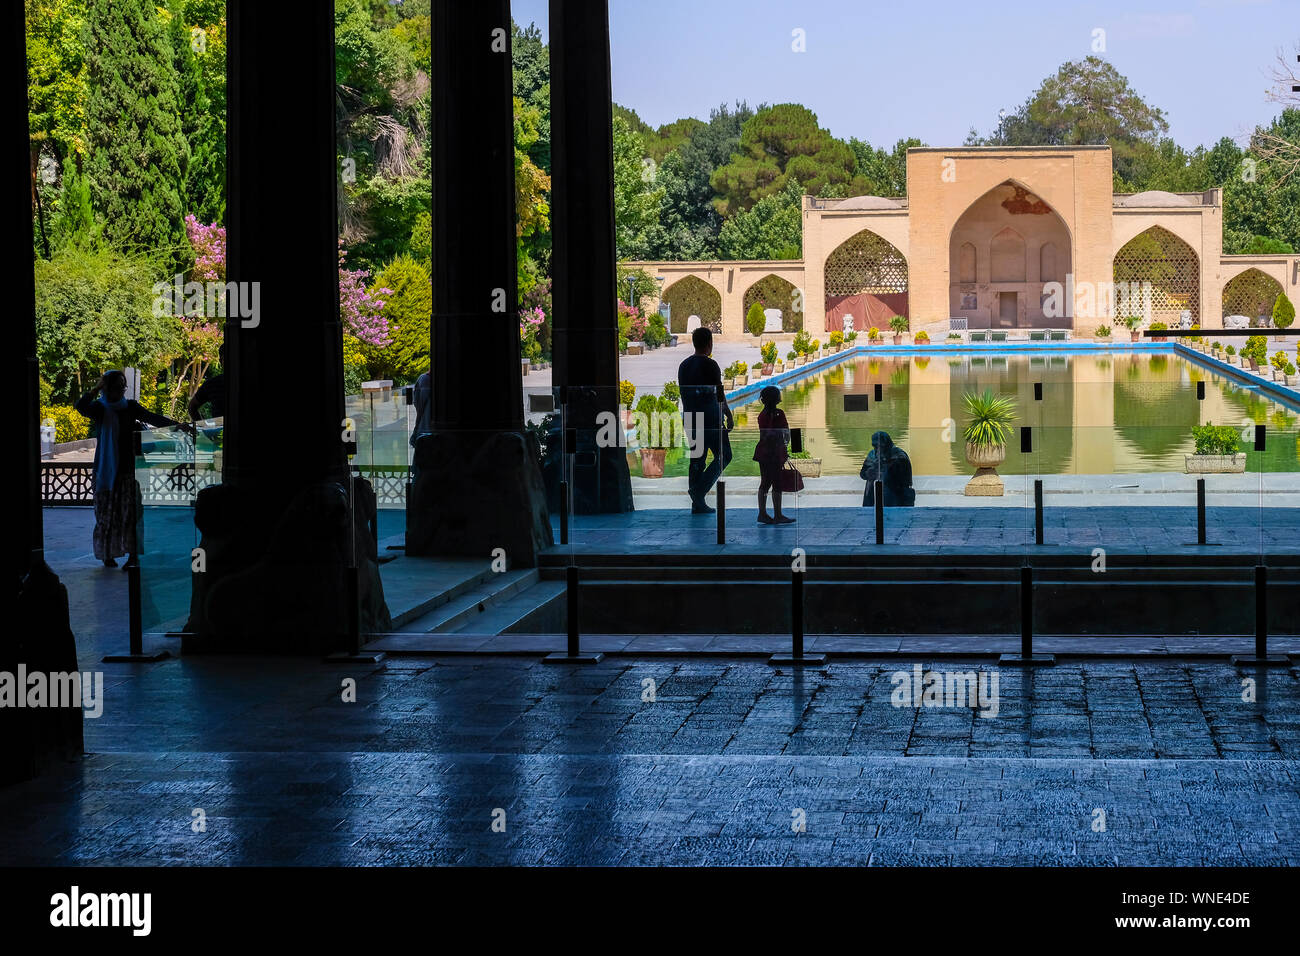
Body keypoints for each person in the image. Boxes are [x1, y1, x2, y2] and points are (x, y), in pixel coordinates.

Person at [76, 371, 187, 567]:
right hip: (107, 471)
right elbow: (81, 406)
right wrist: (96, 389)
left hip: (129, 470)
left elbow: (153, 418)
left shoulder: (130, 407)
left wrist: (177, 426)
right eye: (116, 387)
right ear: (107, 388)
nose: (120, 391)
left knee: (131, 515)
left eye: (122, 387)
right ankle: (108, 554)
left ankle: (133, 556)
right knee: (106, 515)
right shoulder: (99, 408)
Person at [677, 326, 732, 514]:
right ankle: (698, 492)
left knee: (697, 460)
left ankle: (697, 504)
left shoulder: (683, 365)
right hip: (710, 419)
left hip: (691, 418)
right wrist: (728, 413)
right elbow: (719, 393)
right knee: (725, 455)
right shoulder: (710, 364)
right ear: (710, 343)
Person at [754, 386, 794, 524]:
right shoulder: (780, 414)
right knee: (776, 483)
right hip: (775, 452)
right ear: (777, 399)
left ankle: (762, 513)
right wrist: (787, 445)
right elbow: (786, 433)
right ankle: (778, 514)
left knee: (765, 483)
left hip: (764, 451)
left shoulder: (762, 415)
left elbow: (764, 434)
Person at [860, 431, 916, 507]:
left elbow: (902, 479)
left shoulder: (899, 456)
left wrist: (885, 468)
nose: (877, 449)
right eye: (875, 446)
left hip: (896, 496)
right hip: (873, 495)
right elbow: (863, 473)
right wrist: (868, 473)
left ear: (887, 444)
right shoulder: (872, 455)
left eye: (880, 446)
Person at [187, 342, 227, 422]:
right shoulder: (212, 384)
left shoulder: (212, 384)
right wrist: (202, 427)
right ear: (220, 361)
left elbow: (192, 406)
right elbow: (192, 406)